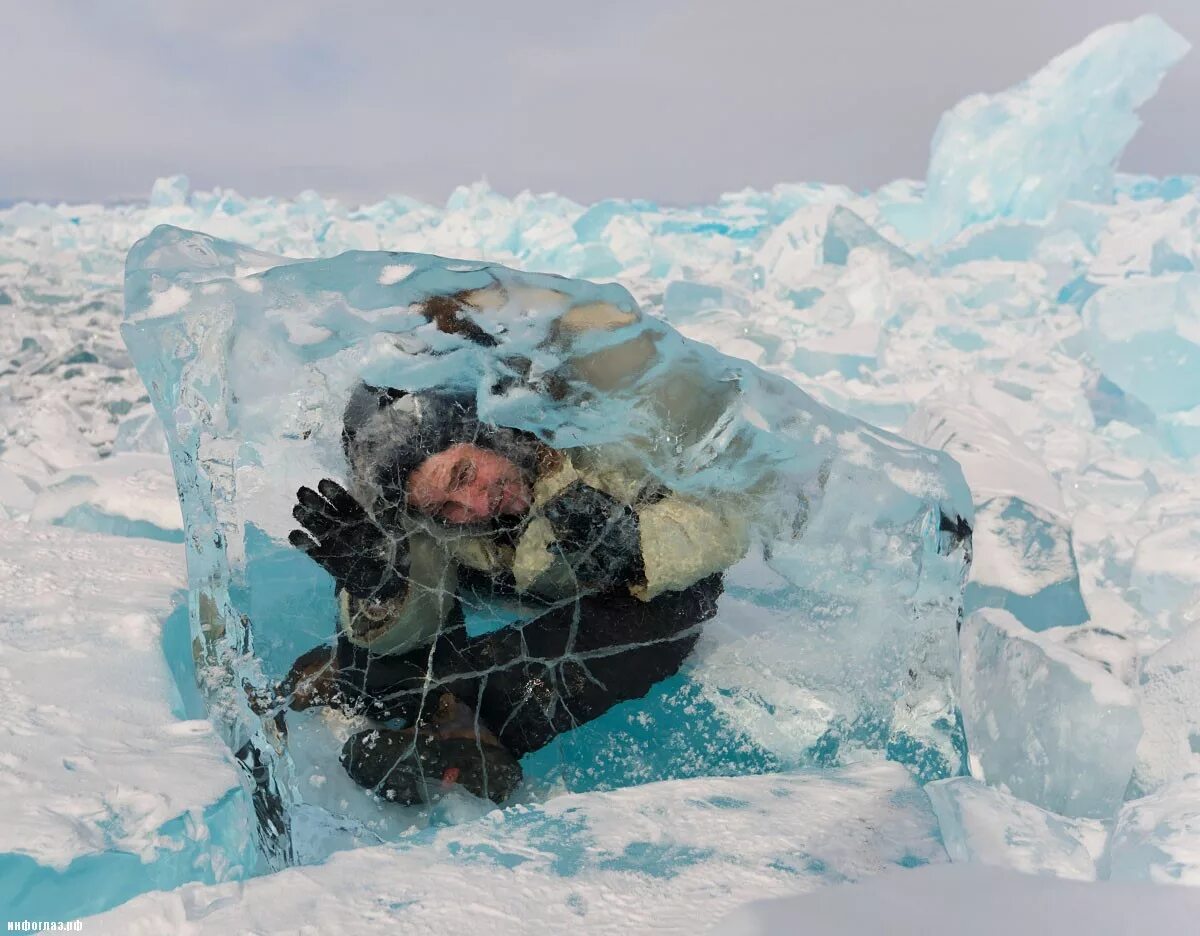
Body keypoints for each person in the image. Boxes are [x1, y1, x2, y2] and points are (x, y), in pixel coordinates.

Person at [277, 378, 749, 807]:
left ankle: (462, 735)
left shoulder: (596, 442)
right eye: (446, 507)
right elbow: (417, 570)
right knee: (391, 590)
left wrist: (634, 546)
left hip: (636, 587)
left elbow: (731, 513)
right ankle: (369, 684)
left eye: (463, 475)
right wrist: (377, 593)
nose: (474, 506)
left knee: (676, 610)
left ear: (483, 431)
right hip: (532, 590)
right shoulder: (440, 514)